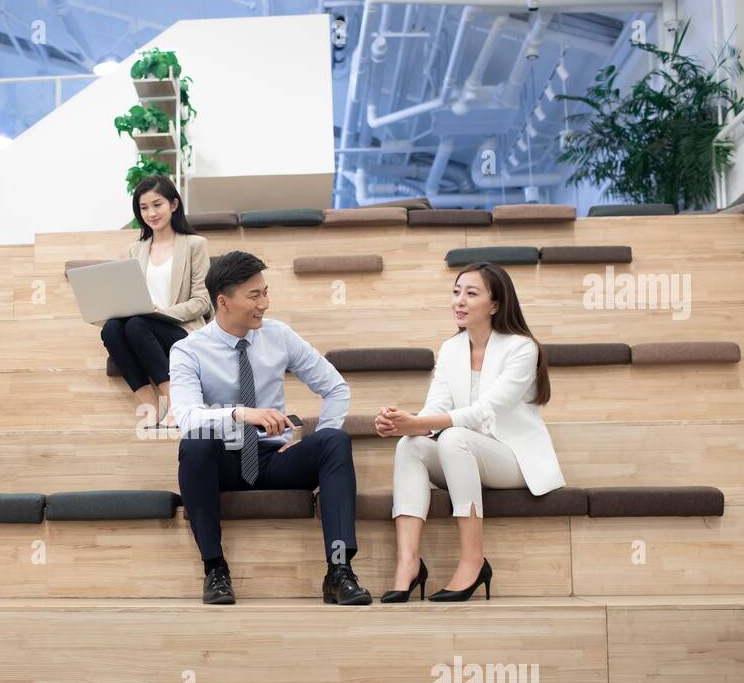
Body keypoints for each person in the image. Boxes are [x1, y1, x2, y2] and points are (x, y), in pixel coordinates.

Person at [171, 250, 371, 606]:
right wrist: (240, 413)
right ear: (223, 301)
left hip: (276, 457)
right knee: (196, 442)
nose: (265, 302)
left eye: (265, 292)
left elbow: (335, 387)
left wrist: (315, 434)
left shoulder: (279, 335)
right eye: (255, 295)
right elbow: (186, 416)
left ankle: (339, 572)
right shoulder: (188, 350)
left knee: (334, 441)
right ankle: (215, 569)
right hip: (226, 463)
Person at [374, 262, 564, 603]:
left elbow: (484, 413)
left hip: (513, 460)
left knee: (452, 436)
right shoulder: (451, 349)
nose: (459, 301)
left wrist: (418, 422)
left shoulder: (521, 347)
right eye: (456, 292)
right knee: (411, 444)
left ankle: (474, 561)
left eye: (471, 293)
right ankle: (408, 564)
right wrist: (402, 423)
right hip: (460, 454)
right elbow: (434, 410)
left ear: (495, 305)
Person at [97, 175, 210, 427]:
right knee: (112, 328)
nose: (151, 213)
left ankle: (174, 404)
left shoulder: (195, 245)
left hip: (180, 329)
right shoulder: (135, 250)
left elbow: (202, 301)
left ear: (174, 205)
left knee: (138, 324)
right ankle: (150, 406)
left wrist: (164, 312)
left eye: (157, 204)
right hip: (142, 325)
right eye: (144, 208)